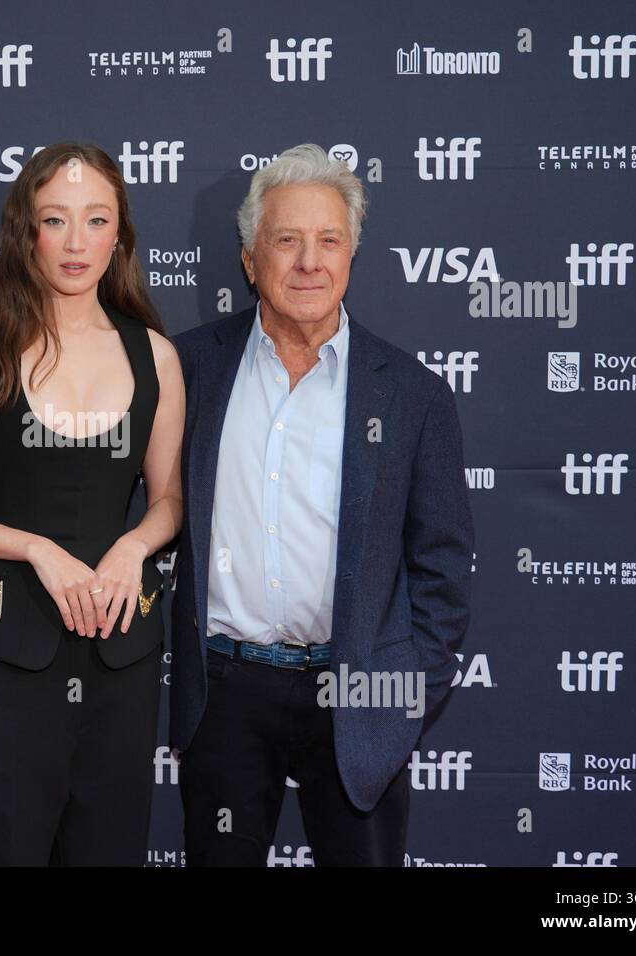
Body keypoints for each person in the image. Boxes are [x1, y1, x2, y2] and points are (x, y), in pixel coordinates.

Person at [170, 144, 474, 866]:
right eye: (287, 240)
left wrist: (399, 704)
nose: (309, 260)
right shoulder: (186, 369)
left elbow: (443, 568)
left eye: (329, 240)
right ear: (250, 260)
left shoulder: (411, 394)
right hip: (226, 696)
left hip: (358, 701)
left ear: (351, 255)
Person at [0, 142, 185, 865]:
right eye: (55, 220)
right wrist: (35, 548)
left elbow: (169, 499)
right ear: (24, 230)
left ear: (120, 235)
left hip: (118, 651)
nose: (77, 243)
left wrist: (134, 546)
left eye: (96, 221)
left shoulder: (154, 357)